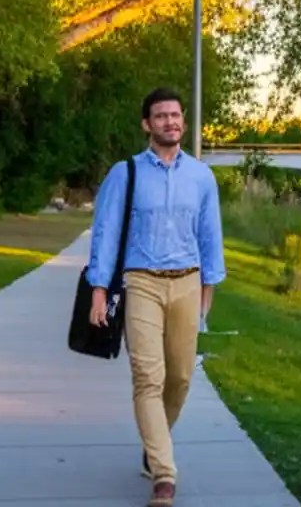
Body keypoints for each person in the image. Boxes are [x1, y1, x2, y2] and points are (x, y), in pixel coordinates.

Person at [86, 87, 225, 507]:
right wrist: (98, 290)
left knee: (180, 377)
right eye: (161, 116)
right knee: (149, 378)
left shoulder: (201, 176)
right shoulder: (125, 173)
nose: (171, 122)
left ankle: (154, 443)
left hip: (187, 282)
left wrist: (208, 291)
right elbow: (106, 234)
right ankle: (164, 474)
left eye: (176, 115)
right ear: (147, 124)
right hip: (141, 282)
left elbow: (210, 235)